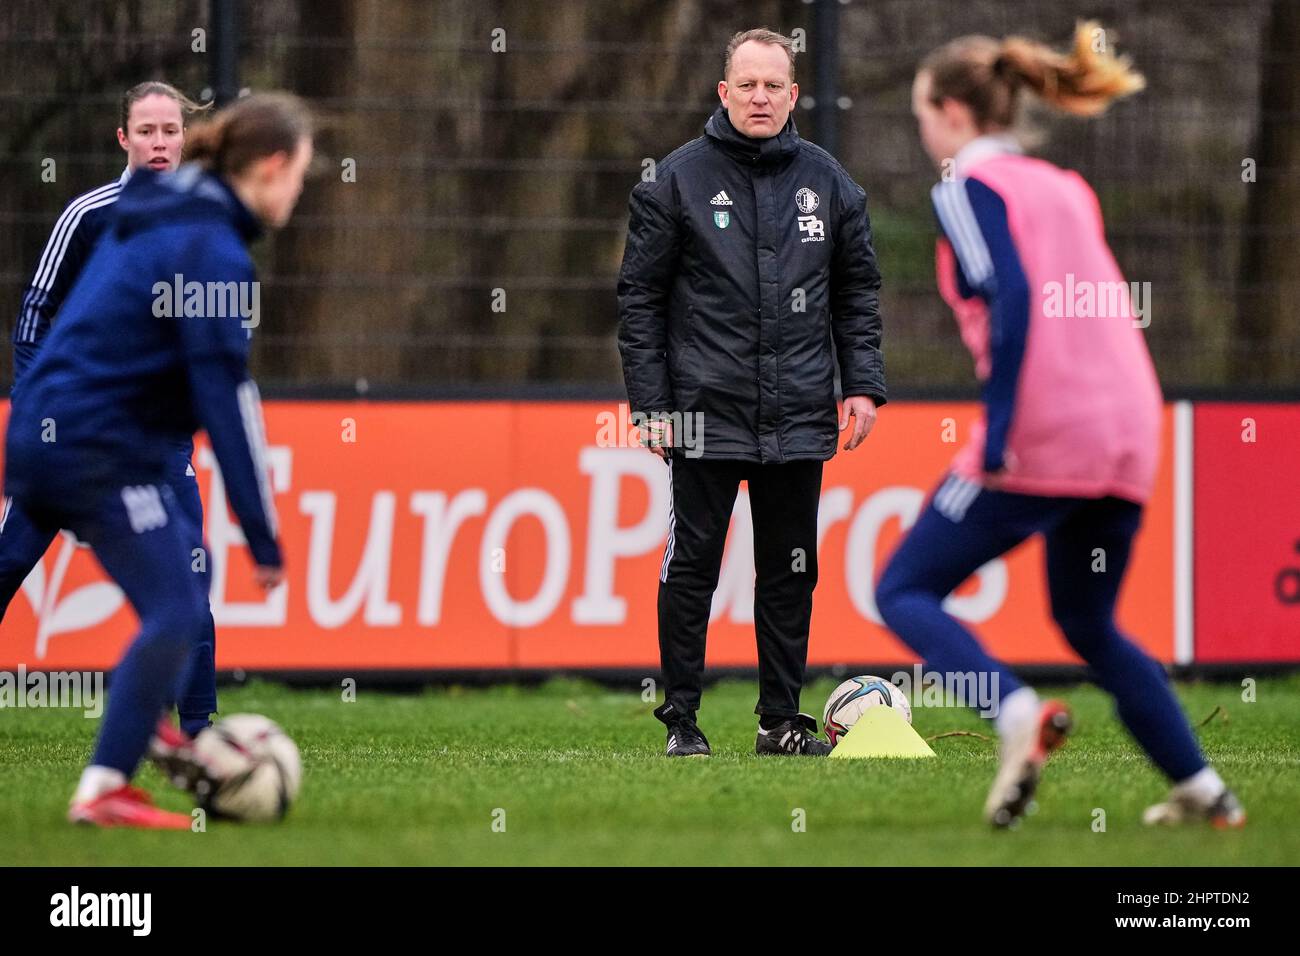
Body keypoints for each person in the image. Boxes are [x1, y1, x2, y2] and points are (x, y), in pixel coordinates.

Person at [876, 23, 1243, 828]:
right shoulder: (1065, 185)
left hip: (1045, 429)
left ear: (951, 114)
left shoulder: (964, 186)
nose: (922, 131)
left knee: (902, 589)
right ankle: (1206, 792)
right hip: (1128, 426)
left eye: (922, 115)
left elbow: (1009, 301)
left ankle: (1011, 713)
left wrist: (1001, 430)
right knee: (1086, 620)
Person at [3, 92, 312, 828]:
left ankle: (159, 734)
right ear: (271, 168)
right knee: (176, 604)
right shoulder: (212, 251)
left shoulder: (163, 216)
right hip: (93, 444)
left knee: (173, 567)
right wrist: (263, 535)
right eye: (301, 172)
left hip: (52, 429)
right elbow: (222, 395)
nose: (300, 190)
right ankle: (105, 785)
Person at [618, 28, 887, 757]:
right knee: (693, 566)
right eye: (748, 84)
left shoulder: (830, 183)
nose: (761, 96)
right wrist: (652, 406)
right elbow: (638, 299)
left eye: (775, 85)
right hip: (703, 415)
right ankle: (680, 722)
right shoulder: (674, 181)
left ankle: (779, 723)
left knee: (790, 571)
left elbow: (857, 292)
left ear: (794, 95)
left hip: (799, 414)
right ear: (724, 92)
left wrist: (861, 384)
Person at [1, 81, 221, 739]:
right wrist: (48, 417)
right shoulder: (89, 215)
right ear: (123, 139)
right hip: (75, 437)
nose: (160, 142)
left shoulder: (207, 219)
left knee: (190, 582)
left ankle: (202, 732)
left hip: (156, 444)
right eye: (147, 131)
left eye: (170, 130)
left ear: (185, 138)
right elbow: (34, 319)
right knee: (11, 561)